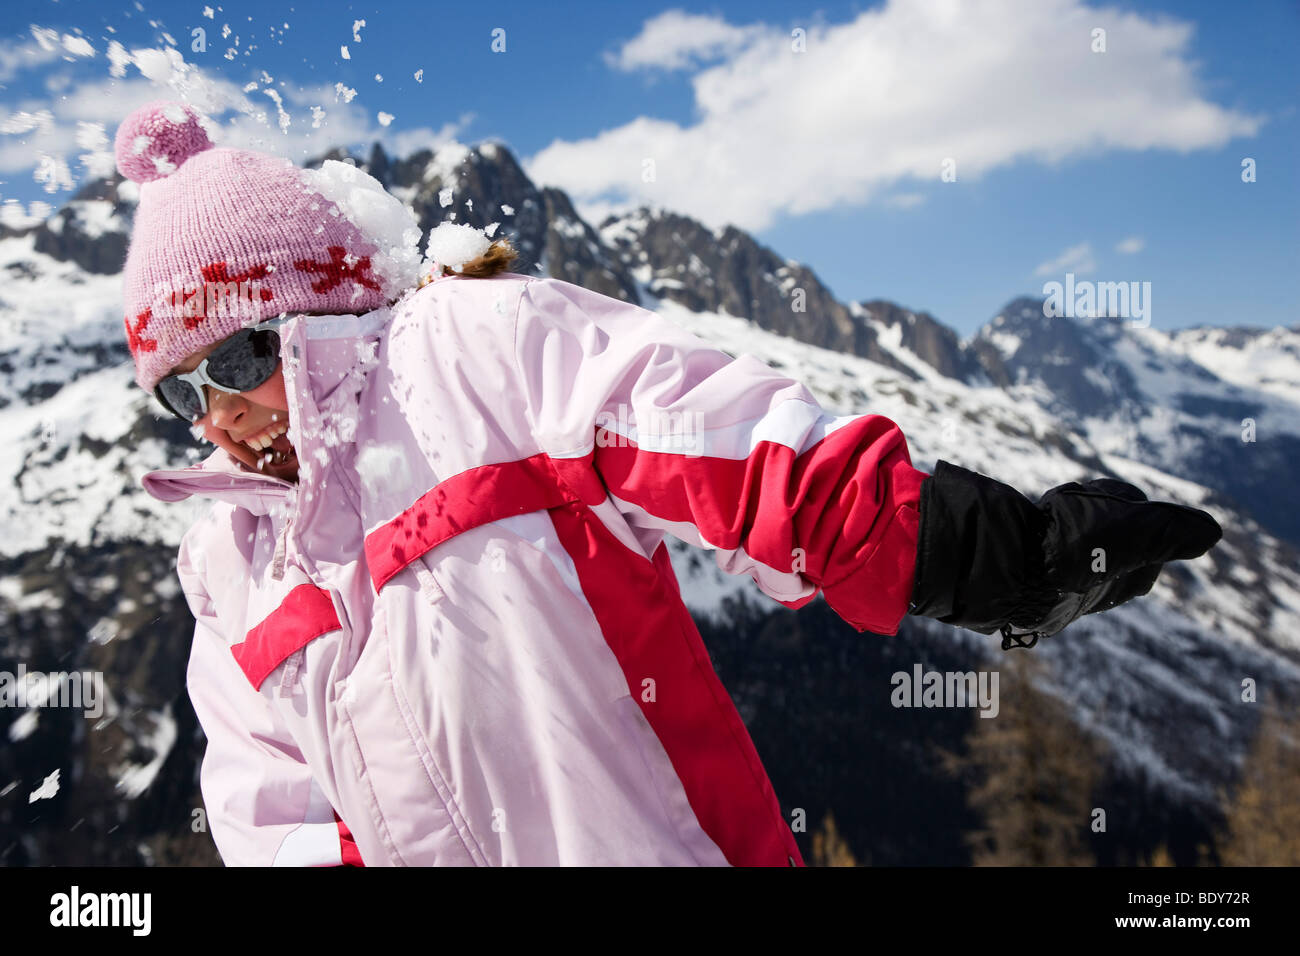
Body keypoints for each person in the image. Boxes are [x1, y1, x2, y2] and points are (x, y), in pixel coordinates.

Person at [121, 101, 1222, 867]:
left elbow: (736, 451)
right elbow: (269, 811)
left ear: (318, 308)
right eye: (182, 392)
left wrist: (993, 556)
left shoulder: (465, 355)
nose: (218, 416)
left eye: (237, 359)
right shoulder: (228, 560)